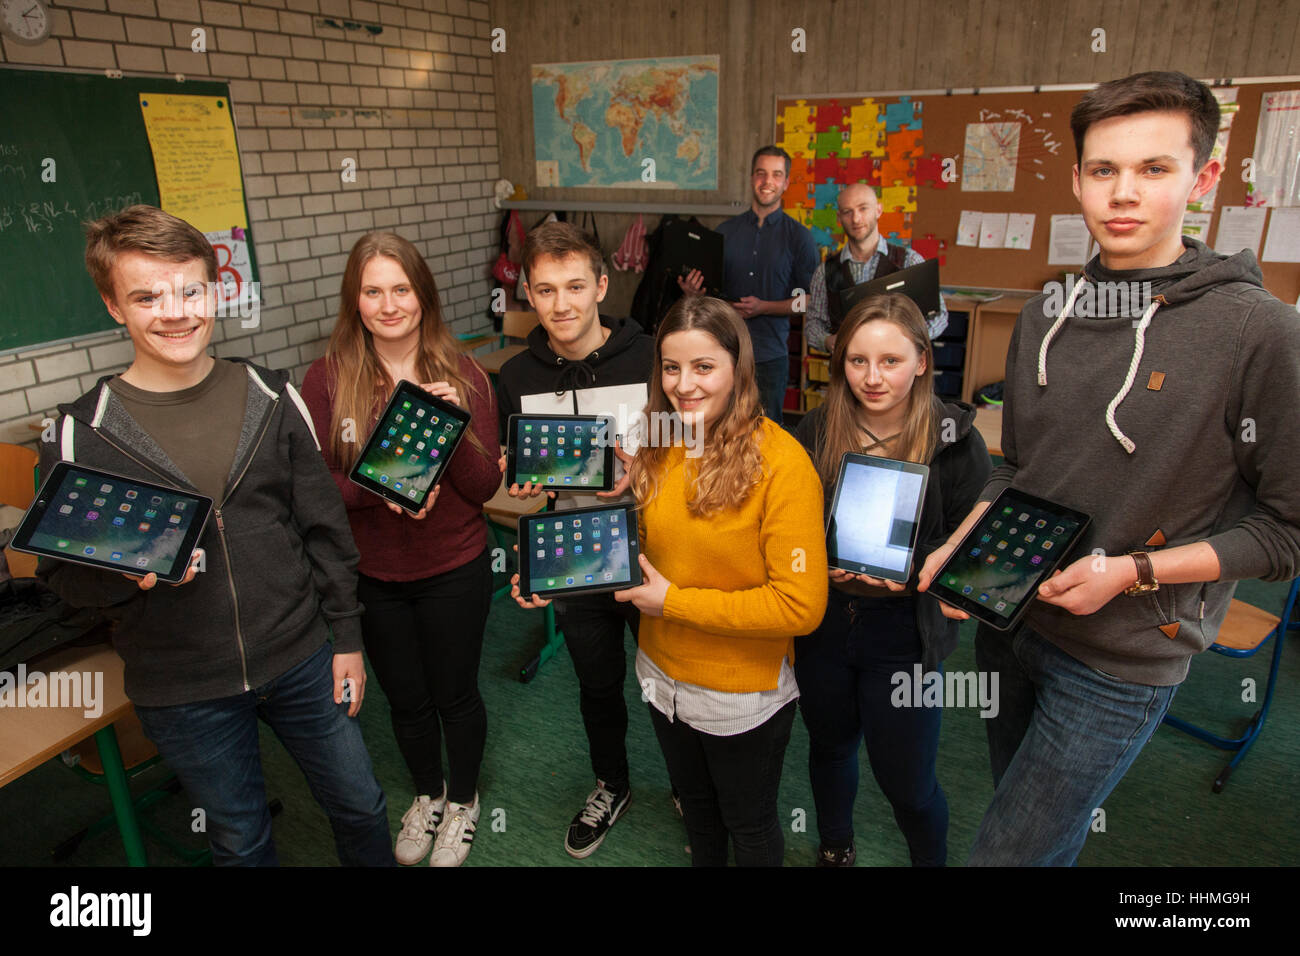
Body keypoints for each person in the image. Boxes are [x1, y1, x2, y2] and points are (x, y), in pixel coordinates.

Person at [915, 70, 1300, 865]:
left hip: (1124, 657)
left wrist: (1131, 572)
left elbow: (1285, 531)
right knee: (1032, 837)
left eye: (1154, 169)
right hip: (1010, 620)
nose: (1123, 194)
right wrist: (965, 543)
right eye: (1103, 170)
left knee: (1006, 856)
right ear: (1078, 178)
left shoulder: (1257, 331)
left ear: (1204, 176)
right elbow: (1014, 465)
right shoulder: (1045, 314)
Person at [38, 205, 392, 866]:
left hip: (302, 658)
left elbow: (326, 531)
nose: (175, 311)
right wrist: (121, 573)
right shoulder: (81, 434)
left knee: (362, 805)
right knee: (240, 838)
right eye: (147, 296)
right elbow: (61, 578)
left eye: (190, 290)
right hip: (183, 686)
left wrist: (346, 638)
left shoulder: (270, 395)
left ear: (215, 291)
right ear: (115, 305)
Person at [301, 233, 501, 867]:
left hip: (454, 566)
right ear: (354, 300)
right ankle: (428, 794)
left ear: (423, 295)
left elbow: (485, 487)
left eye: (401, 289)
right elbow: (310, 486)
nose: (388, 305)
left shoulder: (464, 372)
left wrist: (459, 430)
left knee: (455, 694)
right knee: (406, 699)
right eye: (372, 291)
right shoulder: (327, 377)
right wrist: (370, 488)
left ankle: (464, 801)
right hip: (375, 574)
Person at [613, 295, 828, 866]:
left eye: (704, 367)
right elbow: (657, 553)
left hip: (739, 695)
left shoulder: (782, 464)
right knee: (700, 817)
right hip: (662, 678)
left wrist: (673, 603)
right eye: (672, 366)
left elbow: (800, 607)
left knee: (749, 828)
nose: (684, 385)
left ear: (738, 368)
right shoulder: (659, 444)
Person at [793, 294, 990, 867]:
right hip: (825, 623)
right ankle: (835, 847)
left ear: (923, 361)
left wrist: (912, 570)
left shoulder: (956, 441)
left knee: (908, 781)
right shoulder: (816, 428)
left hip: (905, 634)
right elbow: (789, 522)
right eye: (857, 361)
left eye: (891, 361)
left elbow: (969, 546)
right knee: (829, 748)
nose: (872, 378)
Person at [498, 221, 655, 858]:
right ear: (528, 296)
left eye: (574, 286)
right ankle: (611, 782)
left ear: (600, 284)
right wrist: (526, 489)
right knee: (597, 682)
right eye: (544, 290)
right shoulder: (514, 377)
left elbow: (693, 450)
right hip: (577, 555)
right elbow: (523, 477)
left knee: (670, 678)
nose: (561, 305)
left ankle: (691, 785)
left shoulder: (652, 356)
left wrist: (646, 466)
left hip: (655, 550)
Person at [680, 146, 819, 423]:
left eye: (776, 175)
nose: (767, 181)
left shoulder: (799, 238)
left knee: (767, 432)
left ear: (786, 182)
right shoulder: (724, 232)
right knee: (719, 426)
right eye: (761, 173)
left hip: (769, 357)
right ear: (752, 178)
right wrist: (692, 294)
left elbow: (810, 300)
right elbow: (709, 295)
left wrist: (765, 307)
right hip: (723, 352)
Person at [803, 183, 949, 352]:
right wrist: (827, 341)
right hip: (846, 372)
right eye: (847, 212)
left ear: (878, 210)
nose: (856, 219)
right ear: (839, 217)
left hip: (896, 372)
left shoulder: (909, 261)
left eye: (863, 208)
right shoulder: (825, 271)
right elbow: (813, 323)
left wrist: (906, 340)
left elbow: (939, 316)